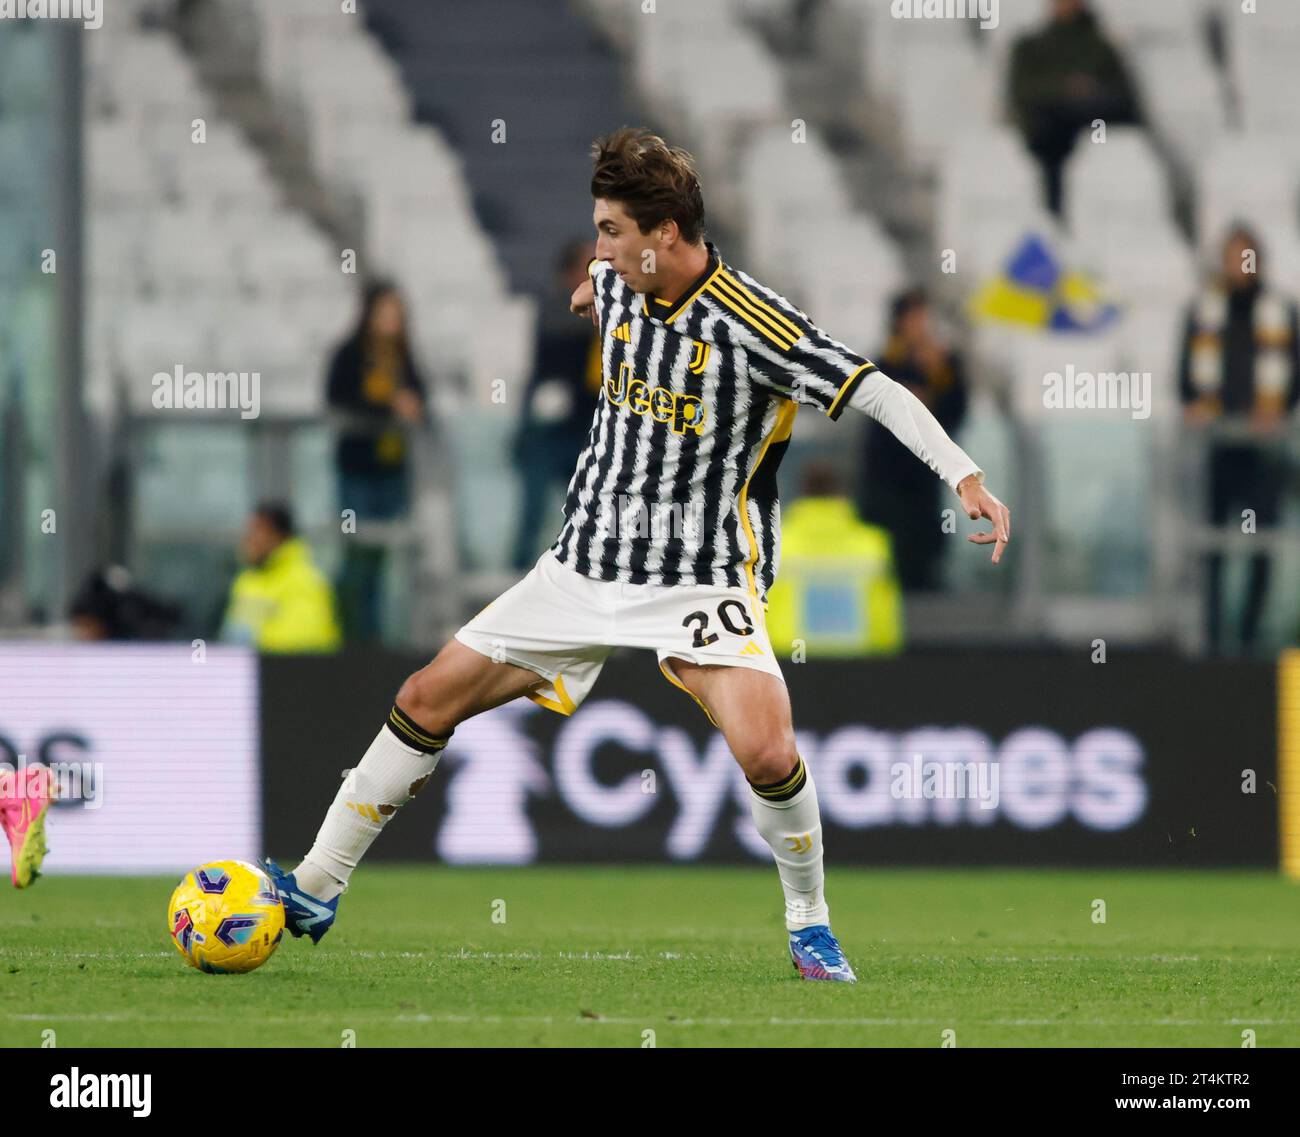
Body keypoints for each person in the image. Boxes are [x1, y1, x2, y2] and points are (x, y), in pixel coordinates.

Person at [262, 128, 1009, 983]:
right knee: (426, 695)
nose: (598, 248)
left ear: (666, 235)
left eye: (612, 230)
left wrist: (965, 475)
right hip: (583, 562)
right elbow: (594, 287)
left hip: (701, 575)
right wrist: (590, 287)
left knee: (767, 752)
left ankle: (810, 922)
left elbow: (871, 385)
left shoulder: (755, 323)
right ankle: (317, 882)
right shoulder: (617, 283)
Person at [1179, 224, 1300, 656]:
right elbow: (1186, 378)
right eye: (1231, 256)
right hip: (1218, 450)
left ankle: (1250, 638)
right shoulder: (1205, 309)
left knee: (1260, 547)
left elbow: (1294, 377)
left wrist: (1277, 411)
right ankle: (1211, 639)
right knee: (1212, 547)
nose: (1237, 265)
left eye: (1243, 256)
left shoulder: (1279, 311)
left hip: (1264, 454)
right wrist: (1199, 406)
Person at [326, 281, 428, 643]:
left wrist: (412, 407)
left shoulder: (403, 358)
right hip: (358, 471)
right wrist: (389, 408)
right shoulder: (350, 355)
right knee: (358, 553)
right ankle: (349, 631)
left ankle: (370, 635)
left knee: (380, 557)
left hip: (391, 470)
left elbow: (422, 399)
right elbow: (340, 402)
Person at [858, 288, 970, 592]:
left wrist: (938, 377)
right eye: (914, 318)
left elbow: (956, 412)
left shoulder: (943, 364)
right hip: (889, 477)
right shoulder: (884, 363)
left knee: (926, 543)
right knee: (893, 544)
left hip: (925, 474)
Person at [510, 239, 603, 570]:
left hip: (588, 431)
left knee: (591, 507)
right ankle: (519, 574)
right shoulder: (553, 309)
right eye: (588, 265)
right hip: (548, 433)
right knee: (533, 510)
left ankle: (580, 573)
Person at [1008, 0, 1140, 216]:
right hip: (1049, 131)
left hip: (1094, 123)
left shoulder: (1099, 46)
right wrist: (1065, 89)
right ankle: (1054, 215)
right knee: (1050, 134)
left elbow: (1124, 96)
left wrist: (1088, 90)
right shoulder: (1030, 46)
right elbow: (1021, 92)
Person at [766, 462, 904, 656]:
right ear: (842, 494)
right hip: (859, 661)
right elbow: (885, 614)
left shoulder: (774, 543)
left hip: (789, 659)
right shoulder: (873, 544)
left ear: (802, 493)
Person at [220, 503, 342, 654]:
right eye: (249, 531)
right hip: (247, 672)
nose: (248, 540)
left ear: (279, 536)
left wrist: (250, 643)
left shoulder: (306, 581)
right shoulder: (246, 580)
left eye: (257, 532)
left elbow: (304, 643)